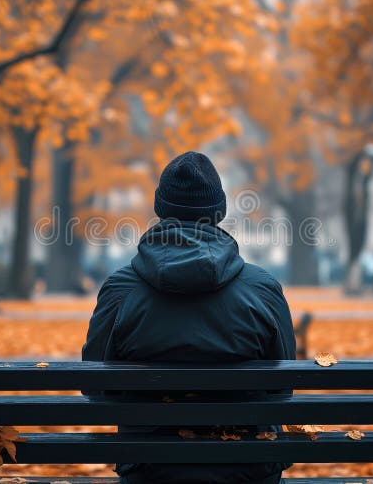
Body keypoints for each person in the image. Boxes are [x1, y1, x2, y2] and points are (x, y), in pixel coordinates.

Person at [83, 151, 296, 484]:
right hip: (247, 469)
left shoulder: (120, 290)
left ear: (160, 209)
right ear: (220, 212)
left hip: (149, 470)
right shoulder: (263, 290)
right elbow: (281, 389)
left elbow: (95, 388)